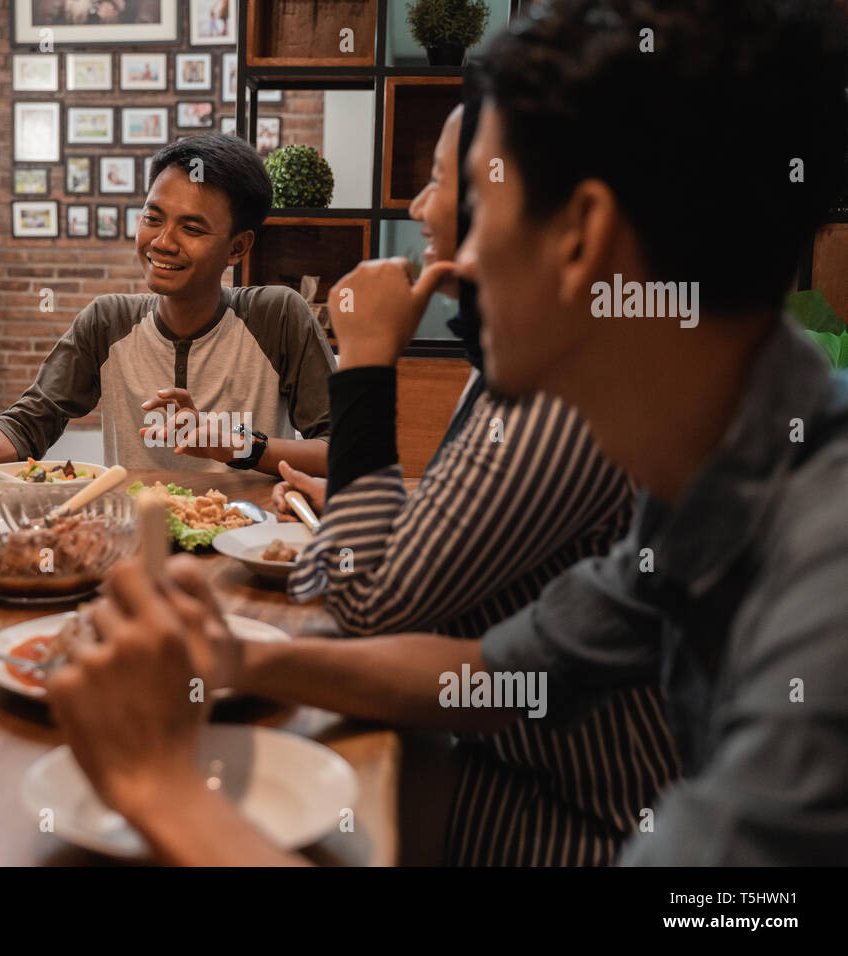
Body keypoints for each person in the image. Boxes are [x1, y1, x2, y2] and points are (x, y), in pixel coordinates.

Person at [42, 0, 848, 865]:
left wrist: (156, 787)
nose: (441, 246)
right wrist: (238, 658)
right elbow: (504, 678)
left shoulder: (825, 585)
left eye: (468, 196)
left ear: (583, 236)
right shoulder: (705, 476)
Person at [253, 98, 677, 866]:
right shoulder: (528, 355)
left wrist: (366, 362)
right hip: (504, 754)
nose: (418, 207)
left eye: (440, 182)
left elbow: (362, 603)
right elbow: (487, 649)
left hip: (588, 825)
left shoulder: (560, 385)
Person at [0, 132, 335, 484]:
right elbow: (27, 424)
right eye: (153, 218)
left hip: (249, 543)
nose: (162, 242)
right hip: (132, 538)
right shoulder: (108, 321)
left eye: (193, 228)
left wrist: (240, 445)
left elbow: (342, 452)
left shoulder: (278, 316)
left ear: (237, 248)